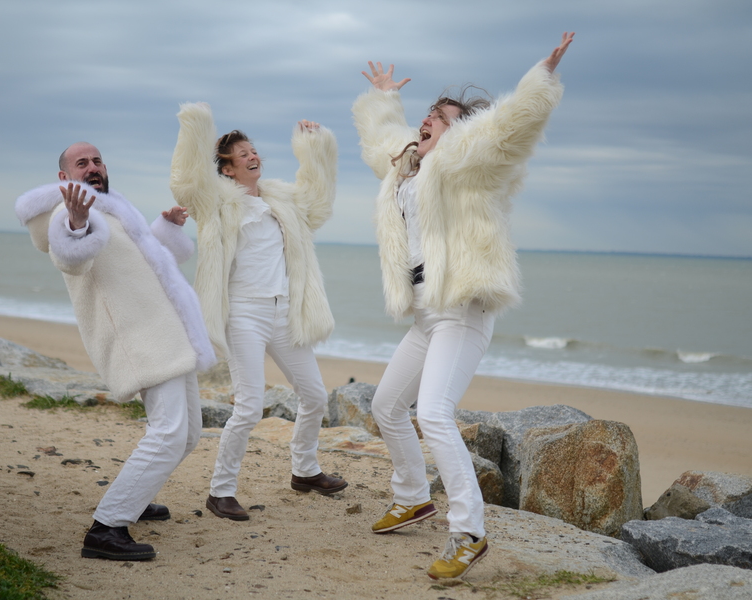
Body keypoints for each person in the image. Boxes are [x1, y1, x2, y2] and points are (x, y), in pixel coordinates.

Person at [352, 33, 574, 580]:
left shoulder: (466, 166)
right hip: (428, 312)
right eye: (429, 113)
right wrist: (384, 99)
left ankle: (468, 530)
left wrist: (539, 80)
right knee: (386, 407)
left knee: (433, 413)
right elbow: (383, 136)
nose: (429, 119)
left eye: (443, 117)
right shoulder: (408, 168)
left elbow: (505, 130)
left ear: (461, 133)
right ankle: (412, 496)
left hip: (463, 309)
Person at [14, 142, 216, 560]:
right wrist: (76, 221)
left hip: (166, 333)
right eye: (81, 163)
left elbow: (145, 261)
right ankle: (107, 527)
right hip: (138, 338)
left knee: (188, 433)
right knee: (168, 433)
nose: (93, 167)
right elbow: (70, 258)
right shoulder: (68, 213)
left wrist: (164, 228)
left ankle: (135, 499)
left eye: (97, 160)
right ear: (64, 177)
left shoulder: (113, 209)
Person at [169, 103, 347, 521]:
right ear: (227, 169)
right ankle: (221, 490)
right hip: (243, 314)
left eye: (254, 150)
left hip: (286, 313)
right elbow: (186, 183)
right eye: (242, 153)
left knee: (315, 396)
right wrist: (196, 128)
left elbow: (318, 202)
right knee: (249, 407)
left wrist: (314, 145)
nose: (253, 156)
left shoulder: (282, 200)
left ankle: (305, 471)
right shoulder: (216, 204)